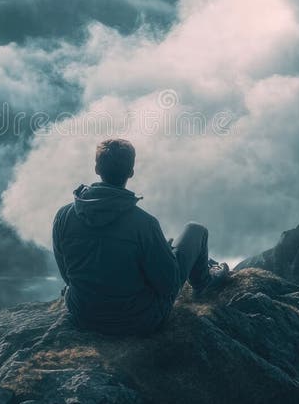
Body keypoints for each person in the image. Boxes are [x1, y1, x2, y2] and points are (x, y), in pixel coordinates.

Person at [52, 138, 230, 337]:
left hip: (82, 315)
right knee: (195, 229)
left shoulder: (63, 216)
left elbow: (67, 274)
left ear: (96, 168)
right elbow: (169, 285)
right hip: (139, 321)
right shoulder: (144, 224)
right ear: (131, 172)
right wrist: (167, 256)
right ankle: (204, 282)